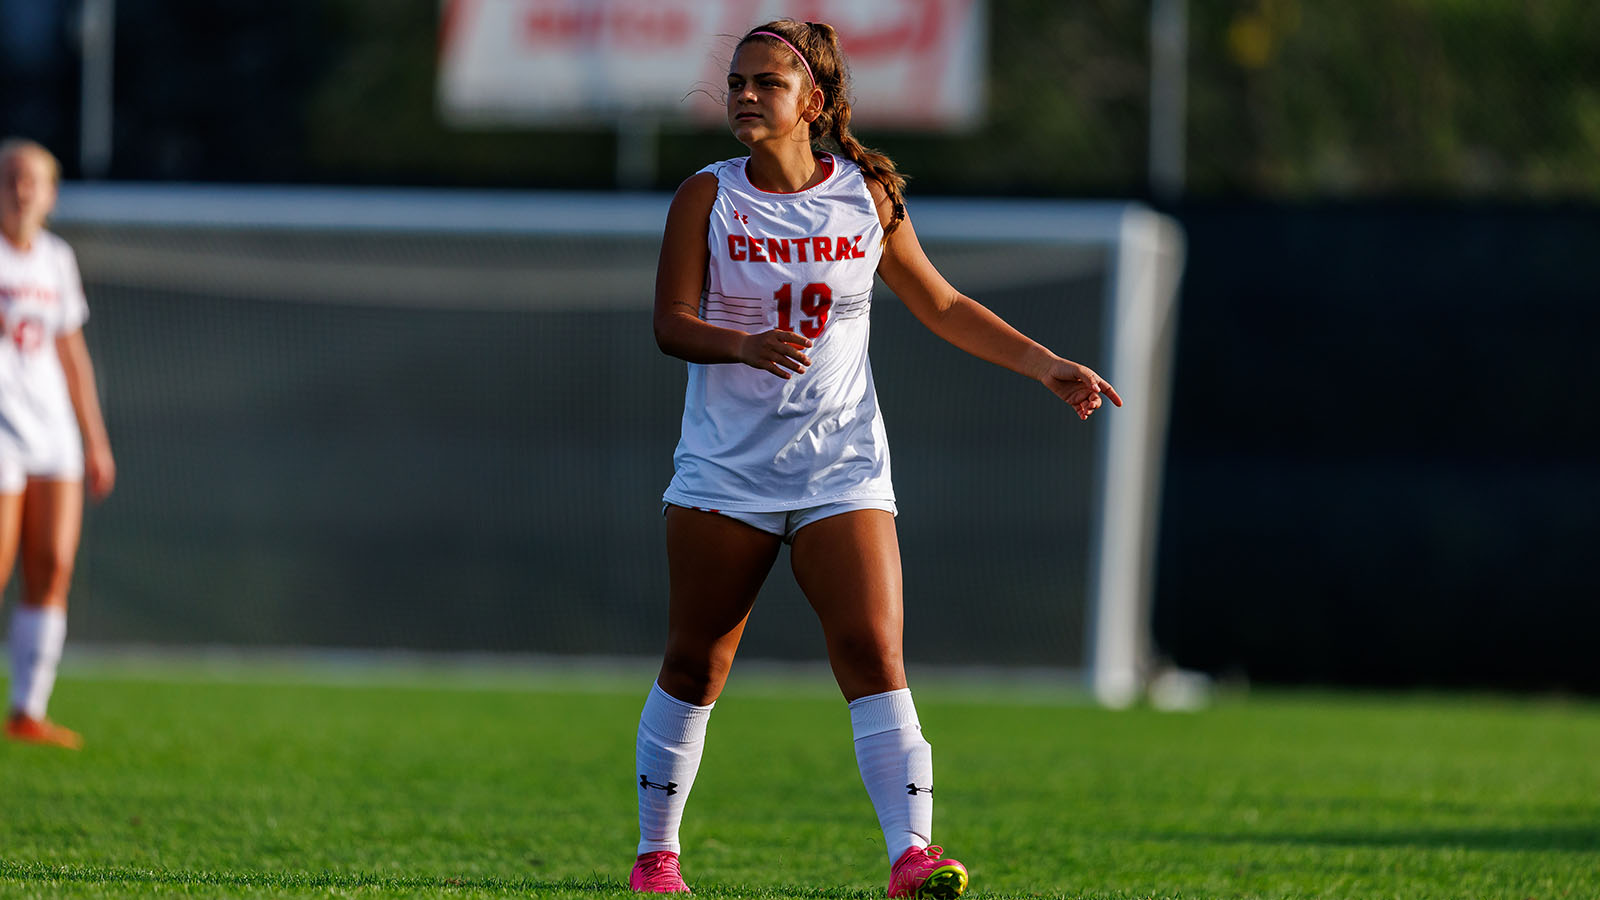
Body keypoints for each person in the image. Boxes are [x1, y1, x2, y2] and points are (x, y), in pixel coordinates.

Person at [632, 19, 1120, 897]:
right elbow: (670, 325)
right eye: (737, 82)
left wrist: (1045, 362)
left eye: (766, 84)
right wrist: (739, 347)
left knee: (872, 653)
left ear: (811, 103)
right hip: (726, 473)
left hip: (841, 468)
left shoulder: (866, 195)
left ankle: (912, 856)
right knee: (694, 662)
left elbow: (940, 303)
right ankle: (656, 858)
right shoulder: (706, 196)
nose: (744, 95)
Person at [0, 138, 115, 750]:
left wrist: (95, 438)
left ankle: (27, 710)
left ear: (51, 194)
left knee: (53, 566)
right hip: (0, 432)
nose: (21, 190)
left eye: (33, 181)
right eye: (11, 178)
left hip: (53, 433)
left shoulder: (56, 260)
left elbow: (71, 353)